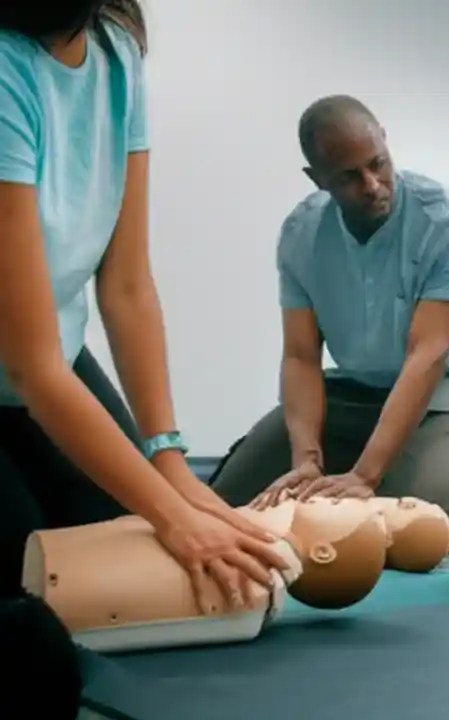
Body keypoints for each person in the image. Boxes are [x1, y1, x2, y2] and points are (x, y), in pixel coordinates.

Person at [0, 1, 288, 613]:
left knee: (125, 540)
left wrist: (171, 464)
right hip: (30, 362)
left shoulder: (115, 52)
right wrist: (170, 512)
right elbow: (30, 367)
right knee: (25, 585)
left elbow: (127, 285)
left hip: (54, 354)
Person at [209, 95, 449, 552]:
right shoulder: (300, 233)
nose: (372, 185)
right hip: (348, 393)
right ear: (317, 179)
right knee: (225, 508)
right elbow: (301, 356)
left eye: (378, 164)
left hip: (440, 397)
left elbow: (429, 354)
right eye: (349, 176)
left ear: (385, 139)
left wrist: (367, 475)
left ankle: (448, 473)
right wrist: (306, 458)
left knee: (436, 529)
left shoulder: (448, 222)